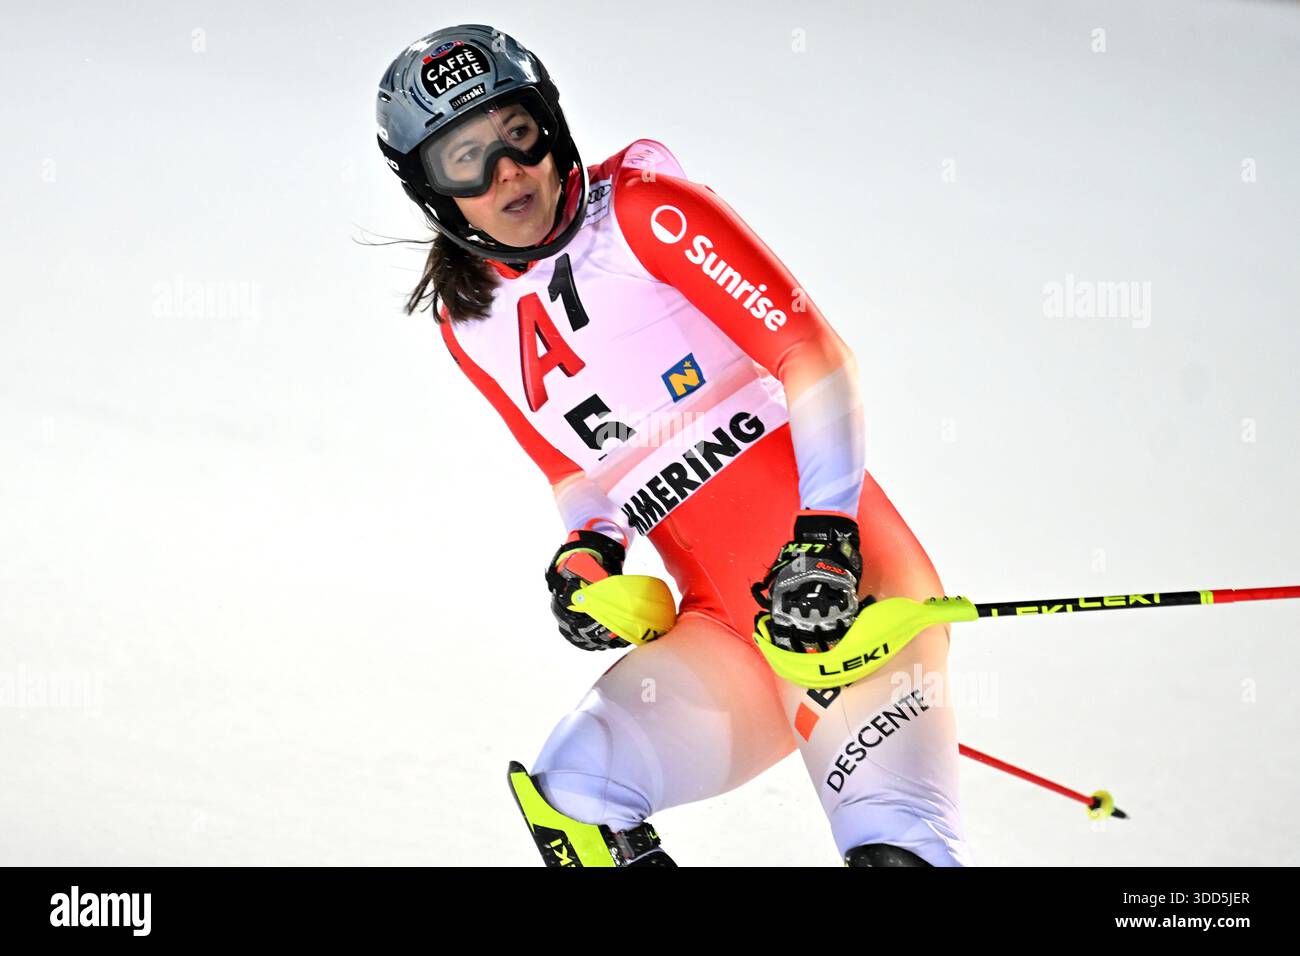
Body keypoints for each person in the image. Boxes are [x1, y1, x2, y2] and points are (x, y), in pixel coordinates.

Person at [375, 23, 974, 867]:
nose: (508, 168)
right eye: (465, 157)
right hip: (726, 633)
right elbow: (578, 473)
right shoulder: (469, 319)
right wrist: (587, 559)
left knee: (898, 856)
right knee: (576, 799)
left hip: (843, 598)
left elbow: (814, 357)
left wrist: (828, 538)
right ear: (430, 192)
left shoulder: (644, 211)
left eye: (519, 131)